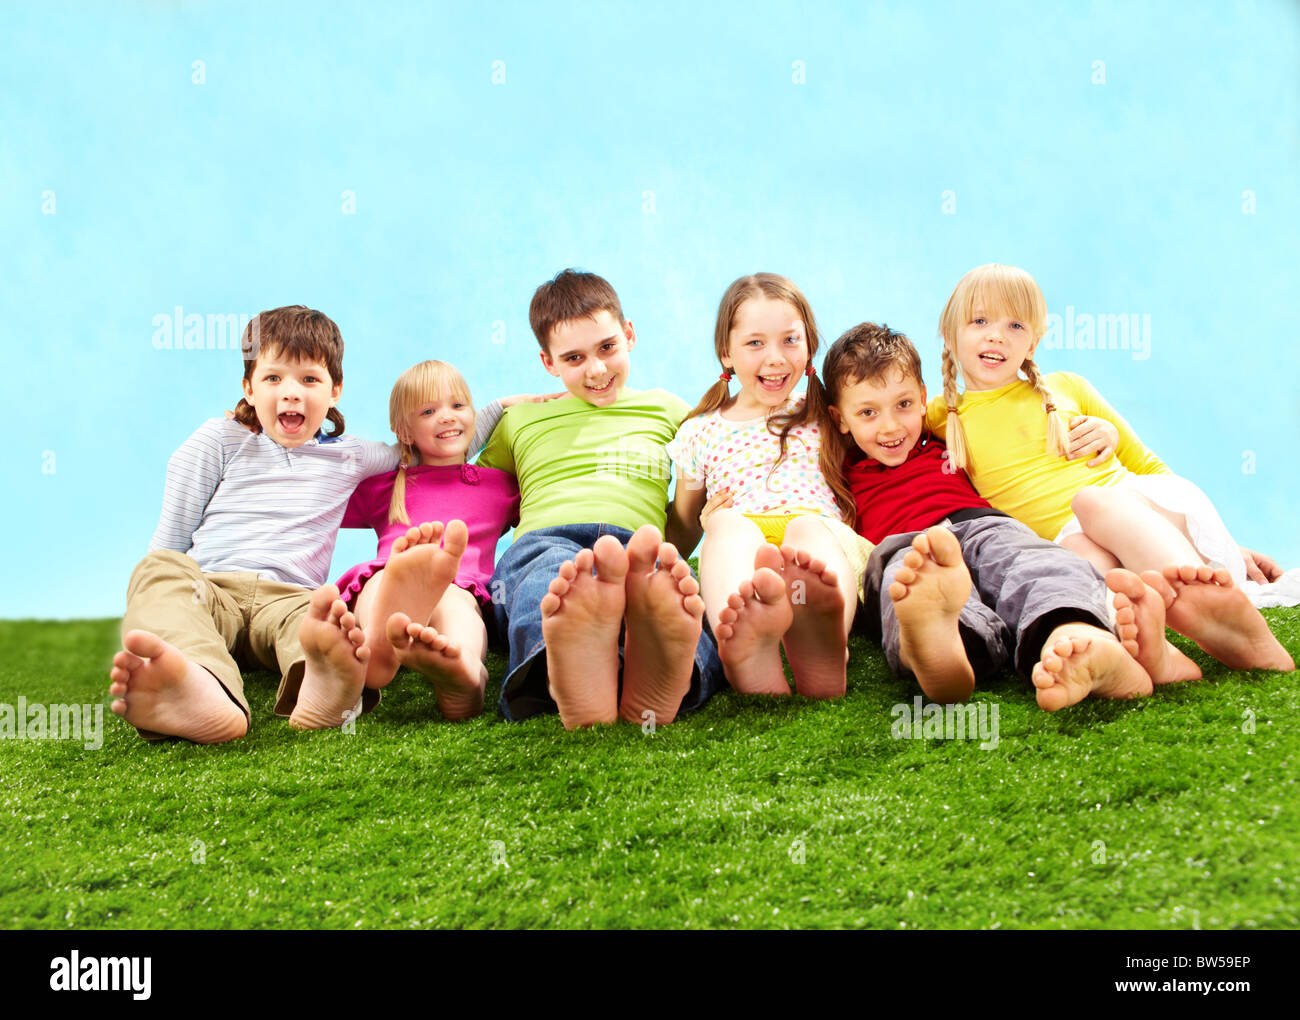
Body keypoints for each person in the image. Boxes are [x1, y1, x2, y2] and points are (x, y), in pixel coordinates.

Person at [929, 263, 1292, 672]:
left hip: (1144, 514)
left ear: (1032, 344)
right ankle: (1145, 641)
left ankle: (1202, 602)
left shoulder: (1068, 387)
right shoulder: (940, 416)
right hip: (1090, 543)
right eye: (980, 320)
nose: (996, 334)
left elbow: (1146, 463)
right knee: (1072, 559)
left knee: (1092, 502)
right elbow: (885, 436)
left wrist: (1222, 542)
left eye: (1015, 325)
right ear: (949, 332)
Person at [822, 322, 1192, 711]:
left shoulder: (950, 430)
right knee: (908, 585)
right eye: (867, 412)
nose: (891, 426)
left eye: (903, 404)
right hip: (908, 546)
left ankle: (1077, 638)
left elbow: (1020, 431)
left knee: (1037, 565)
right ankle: (939, 647)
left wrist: (1105, 432)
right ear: (839, 418)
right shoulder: (833, 468)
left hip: (985, 525)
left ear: (923, 398)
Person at [108, 306, 404, 742]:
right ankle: (200, 685)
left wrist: (498, 410)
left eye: (309, 379)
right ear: (248, 387)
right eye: (273, 378)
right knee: (158, 570)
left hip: (289, 600)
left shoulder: (350, 453)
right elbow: (169, 542)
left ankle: (321, 684)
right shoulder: (219, 439)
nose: (291, 393)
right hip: (211, 591)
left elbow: (423, 447)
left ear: (335, 390)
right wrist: (156, 601)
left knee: (324, 616)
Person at [476, 269, 725, 730]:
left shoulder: (668, 409)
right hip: (545, 541)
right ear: (548, 362)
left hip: (638, 547)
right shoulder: (521, 421)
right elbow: (463, 485)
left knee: (669, 595)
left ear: (629, 335)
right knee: (546, 585)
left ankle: (650, 667)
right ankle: (573, 664)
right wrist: (491, 411)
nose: (596, 369)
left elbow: (698, 497)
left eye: (607, 347)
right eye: (573, 357)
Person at [667, 273, 872, 699]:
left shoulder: (827, 411)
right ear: (726, 352)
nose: (776, 359)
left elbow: (889, 425)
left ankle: (826, 642)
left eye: (790, 341)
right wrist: (706, 524)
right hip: (746, 549)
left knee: (807, 531)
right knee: (725, 527)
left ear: (810, 346)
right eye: (755, 343)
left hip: (819, 538)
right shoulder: (698, 432)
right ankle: (744, 640)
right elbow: (685, 525)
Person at [333, 360, 521, 720]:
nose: (447, 417)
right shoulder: (383, 486)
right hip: (390, 575)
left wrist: (529, 403)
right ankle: (379, 648)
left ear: (474, 413)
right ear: (404, 431)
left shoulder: (499, 485)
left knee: (459, 613)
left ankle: (464, 672)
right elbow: (317, 509)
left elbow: (546, 506)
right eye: (429, 410)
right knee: (379, 586)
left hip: (458, 583)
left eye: (458, 406)